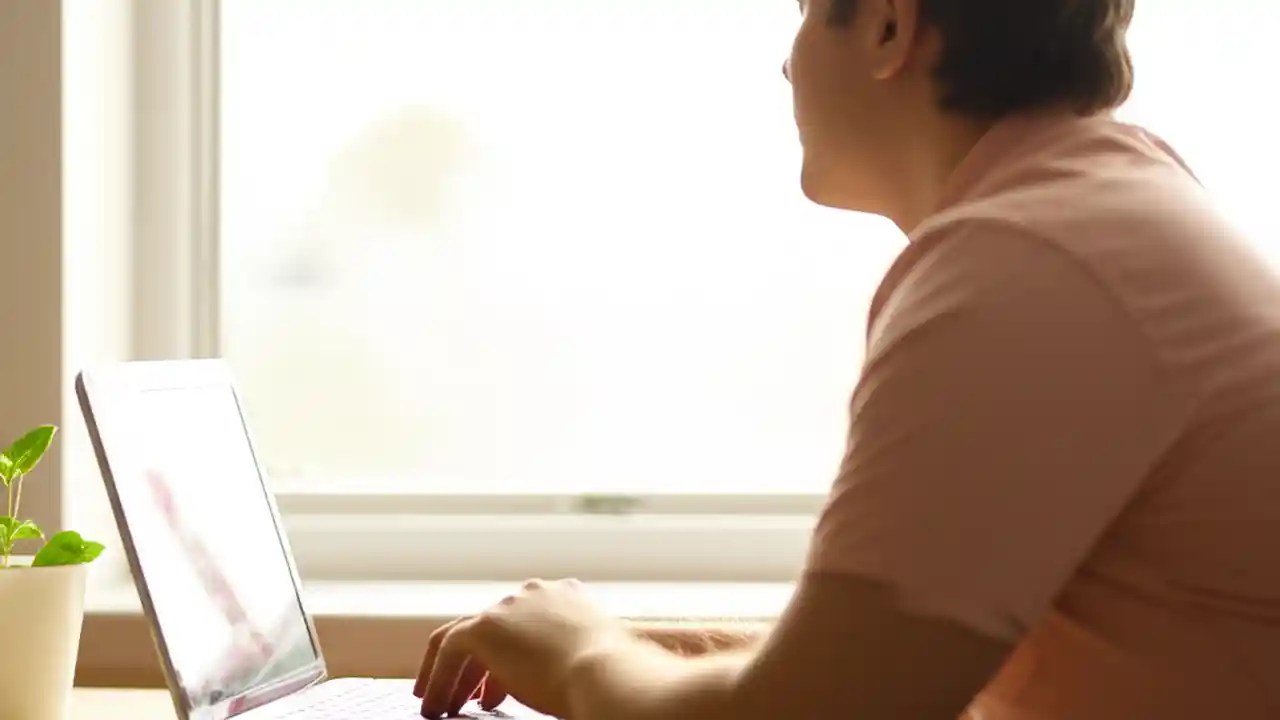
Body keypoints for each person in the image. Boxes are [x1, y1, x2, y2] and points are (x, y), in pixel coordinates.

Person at [414, 0, 1280, 718]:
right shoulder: (1101, 211)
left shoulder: (1027, 260)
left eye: (799, 11)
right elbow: (889, 667)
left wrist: (579, 653)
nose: (785, 65)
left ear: (888, 27)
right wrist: (642, 650)